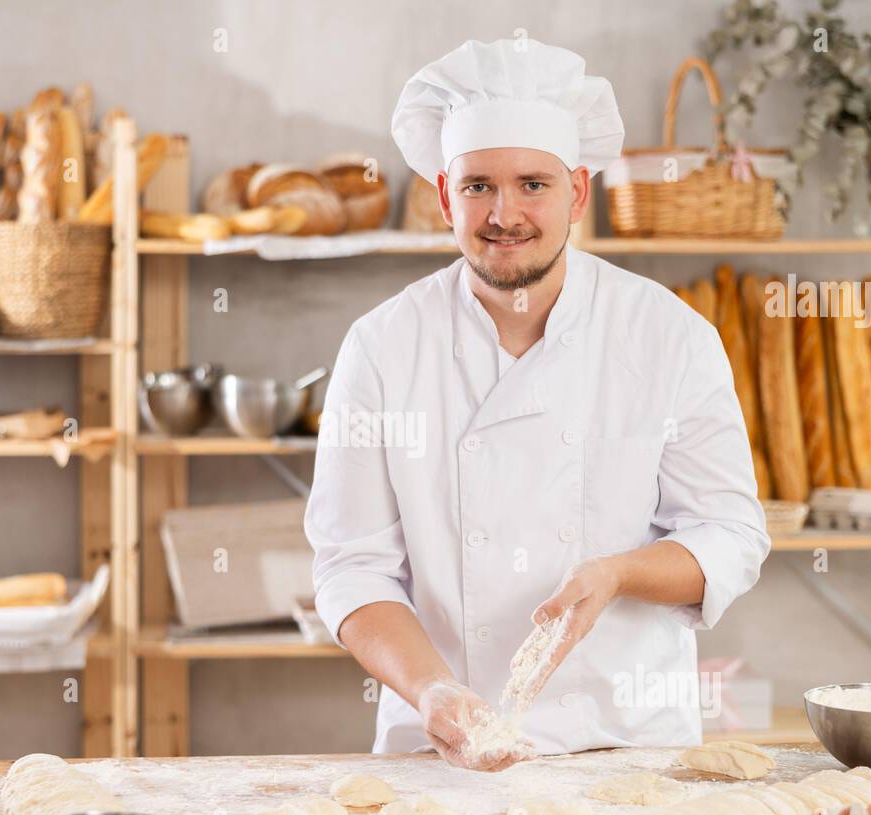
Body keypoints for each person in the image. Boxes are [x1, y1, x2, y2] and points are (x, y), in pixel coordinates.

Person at [304, 38, 770, 771]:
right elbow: (350, 567)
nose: (505, 213)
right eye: (479, 186)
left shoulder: (667, 336)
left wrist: (618, 572)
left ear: (578, 192)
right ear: (443, 197)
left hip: (626, 747)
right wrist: (430, 692)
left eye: (532, 184)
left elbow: (730, 534)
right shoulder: (383, 348)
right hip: (438, 756)